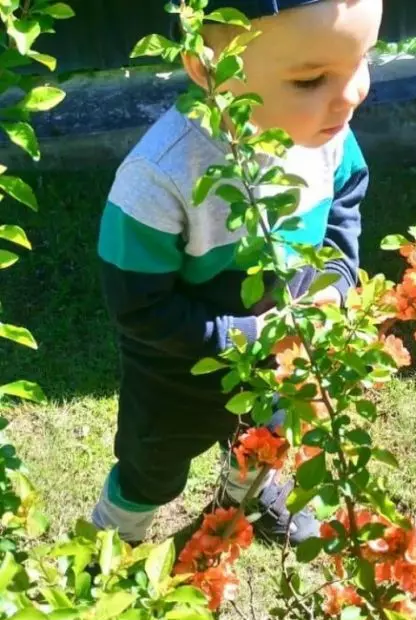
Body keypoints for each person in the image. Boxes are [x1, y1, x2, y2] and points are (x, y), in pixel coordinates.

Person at [91, 0, 383, 545]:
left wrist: (336, 282)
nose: (351, 95)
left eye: (365, 58)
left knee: (266, 437)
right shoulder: (159, 177)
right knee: (150, 467)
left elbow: (346, 199)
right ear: (207, 67)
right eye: (312, 78)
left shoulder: (328, 132)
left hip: (284, 358)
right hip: (178, 373)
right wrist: (250, 337)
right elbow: (139, 308)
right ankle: (115, 541)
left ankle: (241, 500)